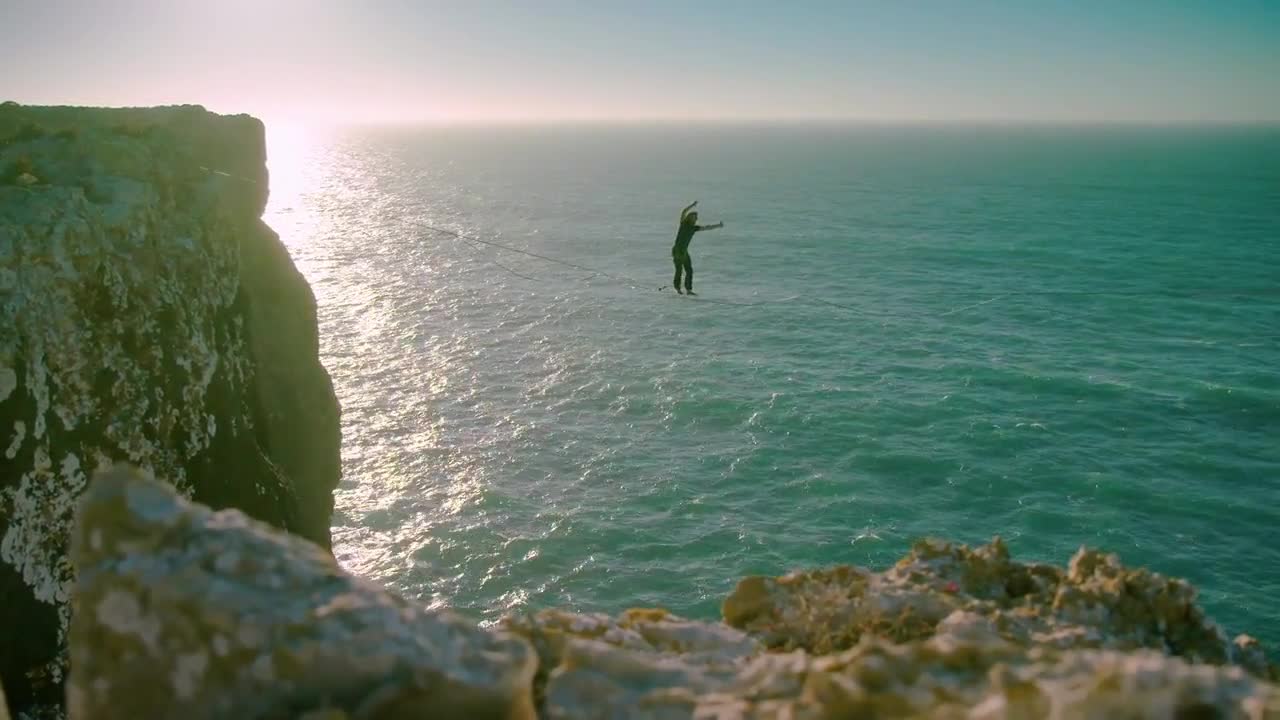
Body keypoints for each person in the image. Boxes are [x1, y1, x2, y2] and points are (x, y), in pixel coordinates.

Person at [671, 200, 724, 295]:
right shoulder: (683, 224)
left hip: (684, 251)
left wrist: (718, 226)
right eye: (694, 217)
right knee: (679, 270)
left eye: (696, 218)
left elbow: (707, 227)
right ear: (690, 217)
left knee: (689, 270)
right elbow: (683, 212)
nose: (696, 219)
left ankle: (688, 289)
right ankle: (678, 288)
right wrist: (692, 205)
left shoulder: (694, 228)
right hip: (678, 250)